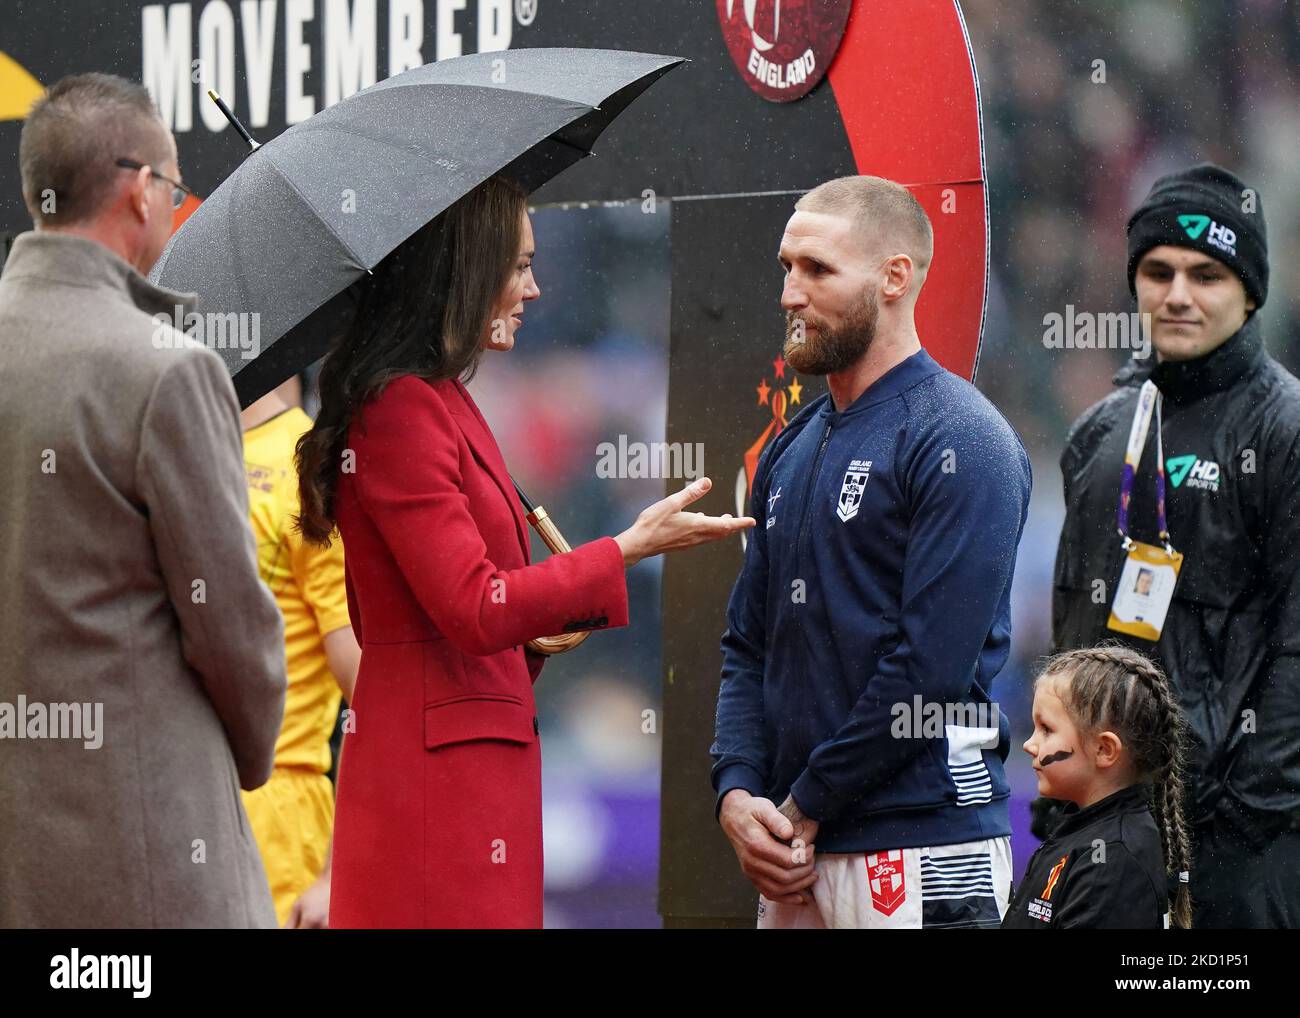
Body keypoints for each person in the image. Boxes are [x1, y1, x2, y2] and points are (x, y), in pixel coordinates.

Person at [294, 174, 752, 928]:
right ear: (461, 271)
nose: (535, 290)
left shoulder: (439, 399)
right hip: (438, 790)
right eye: (519, 266)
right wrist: (626, 549)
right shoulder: (405, 406)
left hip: (468, 773)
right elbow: (477, 608)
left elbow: (487, 620)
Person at [0, 73, 285, 927]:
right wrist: (245, 752)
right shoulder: (168, 370)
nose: (173, 201)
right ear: (137, 191)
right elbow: (234, 632)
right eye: (173, 183)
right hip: (145, 839)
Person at [711, 175, 1032, 929]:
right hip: (797, 851)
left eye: (817, 270)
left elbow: (930, 670)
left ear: (896, 277)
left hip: (922, 844)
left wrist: (802, 803)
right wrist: (736, 793)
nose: (790, 293)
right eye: (786, 267)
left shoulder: (964, 438)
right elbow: (747, 644)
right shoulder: (790, 445)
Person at [1049, 163, 1300, 928]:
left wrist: (1245, 811)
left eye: (1207, 274)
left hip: (1244, 843)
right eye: (1157, 272)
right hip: (1111, 826)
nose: (1178, 295)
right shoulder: (1098, 435)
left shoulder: (1285, 429)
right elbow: (1072, 636)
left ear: (1249, 292)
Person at [240, 378, 362, 928]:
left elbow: (370, 695)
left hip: (277, 812)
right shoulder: (170, 451)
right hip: (171, 798)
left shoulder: (308, 469)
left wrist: (338, 872)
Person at [1002, 645, 1191, 929]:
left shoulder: (1112, 863)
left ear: (1104, 749)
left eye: (1047, 729)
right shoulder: (1082, 831)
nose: (1029, 744)